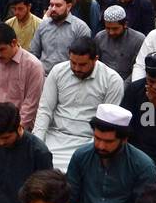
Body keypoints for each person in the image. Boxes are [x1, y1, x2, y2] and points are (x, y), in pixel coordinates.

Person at [65, 103, 156, 203]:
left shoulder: (143, 166)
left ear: (124, 139)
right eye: (97, 138)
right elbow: (68, 197)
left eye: (108, 141)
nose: (101, 146)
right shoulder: (81, 156)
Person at [33, 36, 124, 169]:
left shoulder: (112, 80)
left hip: (88, 140)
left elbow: (107, 123)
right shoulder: (58, 71)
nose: (76, 68)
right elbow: (45, 110)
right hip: (55, 136)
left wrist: (95, 148)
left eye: (82, 65)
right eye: (72, 63)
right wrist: (38, 143)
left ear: (95, 59)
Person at [0, 22, 44, 130]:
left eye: (1, 49)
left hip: (16, 128)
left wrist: (12, 133)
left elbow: (30, 108)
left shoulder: (33, 66)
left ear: (14, 43)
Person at [94, 4, 145, 79]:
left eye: (115, 29)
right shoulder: (100, 37)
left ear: (125, 24)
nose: (111, 32)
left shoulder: (138, 40)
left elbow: (138, 70)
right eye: (107, 28)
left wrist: (122, 87)